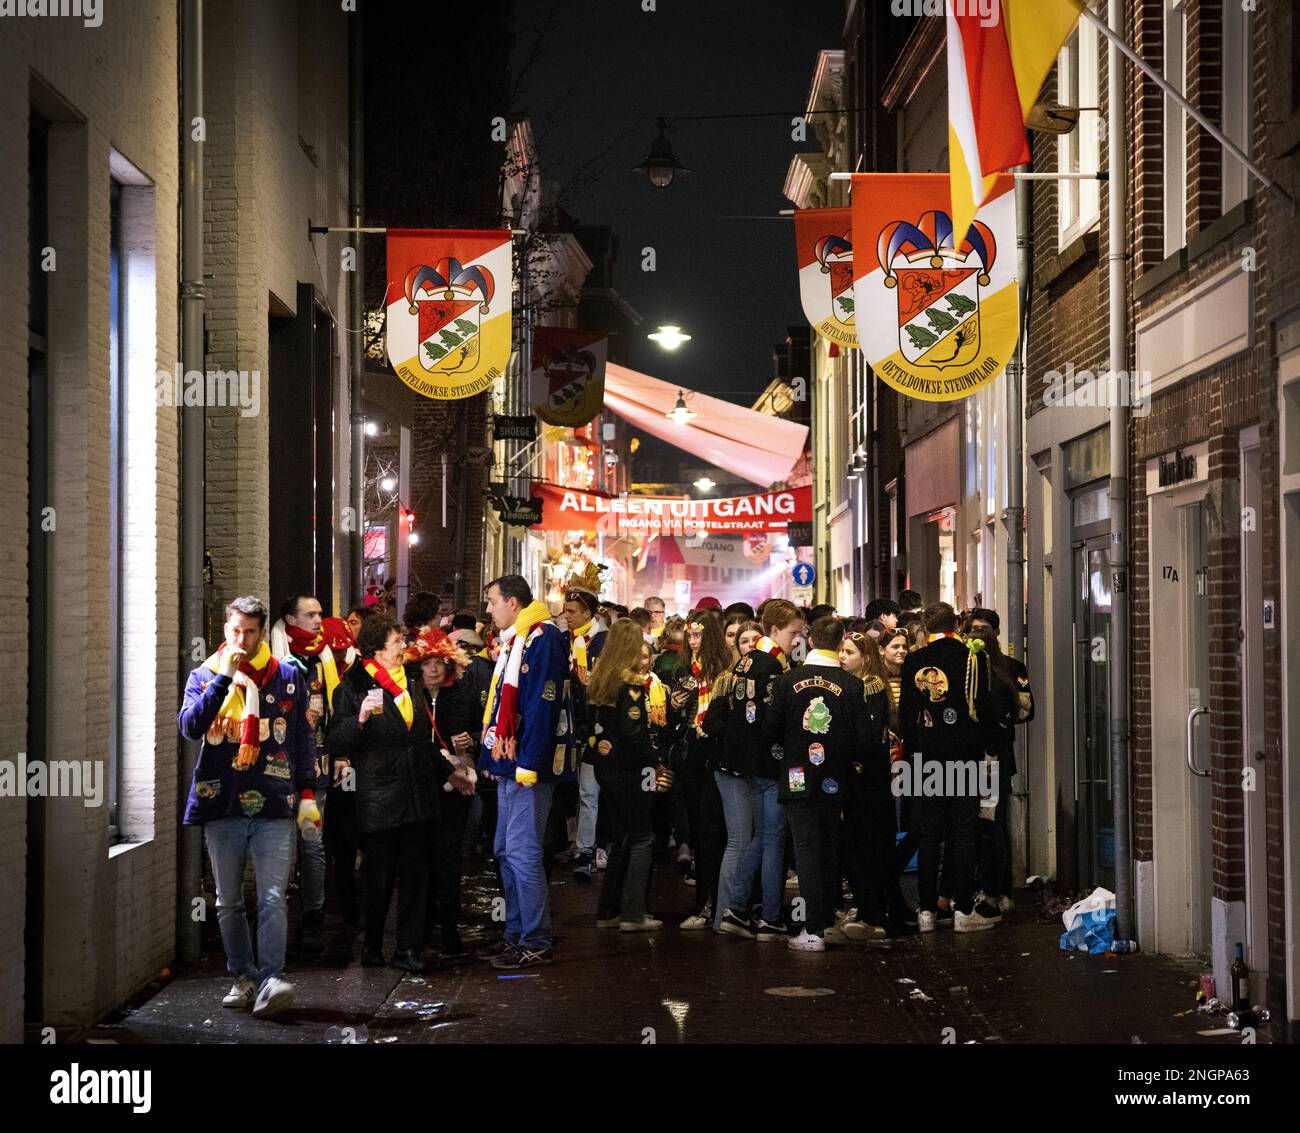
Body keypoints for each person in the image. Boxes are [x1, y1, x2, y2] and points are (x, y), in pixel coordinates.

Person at [179, 596, 317, 1018]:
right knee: (228, 901)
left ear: (262, 633)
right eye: (235, 630)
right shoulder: (204, 676)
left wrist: (309, 794)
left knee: (273, 896)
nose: (242, 639)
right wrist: (224, 678)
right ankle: (243, 976)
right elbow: (189, 727)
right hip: (221, 803)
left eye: (251, 632)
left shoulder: (288, 677)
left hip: (275, 803)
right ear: (226, 630)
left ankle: (271, 978)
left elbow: (301, 741)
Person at [326, 616, 438, 972]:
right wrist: (358, 721)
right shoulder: (353, 686)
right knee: (378, 878)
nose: (403, 647)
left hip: (417, 792)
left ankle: (408, 949)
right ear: (376, 650)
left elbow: (422, 738)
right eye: (396, 643)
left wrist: (450, 771)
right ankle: (372, 945)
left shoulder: (414, 681)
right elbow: (336, 740)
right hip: (378, 796)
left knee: (416, 875)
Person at [478, 574, 573, 969]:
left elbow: (541, 707)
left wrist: (529, 764)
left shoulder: (543, 638)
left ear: (513, 603)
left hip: (526, 766)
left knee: (522, 851)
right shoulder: (518, 639)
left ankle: (534, 939)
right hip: (508, 763)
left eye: (492, 601)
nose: (488, 609)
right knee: (504, 849)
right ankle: (515, 934)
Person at [763, 616, 869, 951]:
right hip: (835, 778)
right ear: (839, 645)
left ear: (809, 640)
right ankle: (826, 920)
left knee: (806, 849)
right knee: (828, 847)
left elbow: (770, 728)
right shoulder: (851, 684)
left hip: (797, 775)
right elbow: (862, 737)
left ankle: (812, 929)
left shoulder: (787, 680)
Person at [898, 602, 1000, 933]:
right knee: (963, 832)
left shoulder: (914, 660)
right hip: (965, 757)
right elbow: (984, 711)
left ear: (926, 627)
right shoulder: (972, 657)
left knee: (929, 833)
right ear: (956, 624)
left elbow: (905, 719)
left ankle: (926, 910)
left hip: (926, 759)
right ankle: (963, 909)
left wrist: (913, 755)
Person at [711, 599, 805, 941]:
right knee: (772, 839)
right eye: (793, 633)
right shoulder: (773, 667)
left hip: (748, 763)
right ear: (776, 629)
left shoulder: (748, 661)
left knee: (758, 838)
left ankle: (737, 909)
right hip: (769, 763)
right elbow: (770, 721)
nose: (797, 640)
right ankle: (769, 915)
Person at [271, 592, 345, 956]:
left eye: (320, 614)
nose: (318, 621)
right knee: (281, 847)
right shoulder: (272, 657)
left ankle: (313, 917)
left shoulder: (323, 657)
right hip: (276, 768)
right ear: (290, 619)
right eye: (310, 614)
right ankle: (276, 920)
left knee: (313, 844)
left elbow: (335, 710)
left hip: (316, 765)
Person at [586, 619, 665, 932]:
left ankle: (608, 910)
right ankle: (633, 912)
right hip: (629, 769)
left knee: (621, 838)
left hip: (605, 768)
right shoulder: (630, 685)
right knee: (643, 836)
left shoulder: (600, 680)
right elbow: (633, 732)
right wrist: (656, 760)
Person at [407, 627, 478, 955]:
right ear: (418, 666)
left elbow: (479, 727)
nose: (433, 669)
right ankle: (420, 931)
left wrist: (470, 739)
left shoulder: (462, 693)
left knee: (449, 859)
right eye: (427, 663)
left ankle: (449, 929)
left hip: (455, 789)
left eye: (439, 662)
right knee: (419, 860)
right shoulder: (409, 698)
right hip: (421, 787)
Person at [965, 607, 1034, 915]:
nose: (978, 635)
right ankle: (982, 884)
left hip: (994, 760)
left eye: (985, 629)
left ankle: (998, 888)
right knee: (973, 825)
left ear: (995, 633)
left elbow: (1026, 709)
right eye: (974, 629)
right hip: (966, 762)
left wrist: (1000, 723)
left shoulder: (1011, 667)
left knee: (994, 824)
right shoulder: (963, 666)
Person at [667, 614, 731, 930]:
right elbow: (673, 714)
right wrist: (673, 704)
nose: (693, 642)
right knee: (699, 830)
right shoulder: (682, 669)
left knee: (715, 832)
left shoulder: (725, 671)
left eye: (699, 636)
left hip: (715, 754)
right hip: (691, 755)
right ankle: (706, 903)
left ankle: (720, 905)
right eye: (690, 636)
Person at [562, 563, 609, 882]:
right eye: (564, 610)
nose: (566, 616)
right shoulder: (564, 639)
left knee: (590, 791)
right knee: (574, 791)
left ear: (588, 612)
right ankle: (578, 842)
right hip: (568, 726)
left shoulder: (602, 642)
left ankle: (589, 849)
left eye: (573, 611)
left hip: (594, 726)